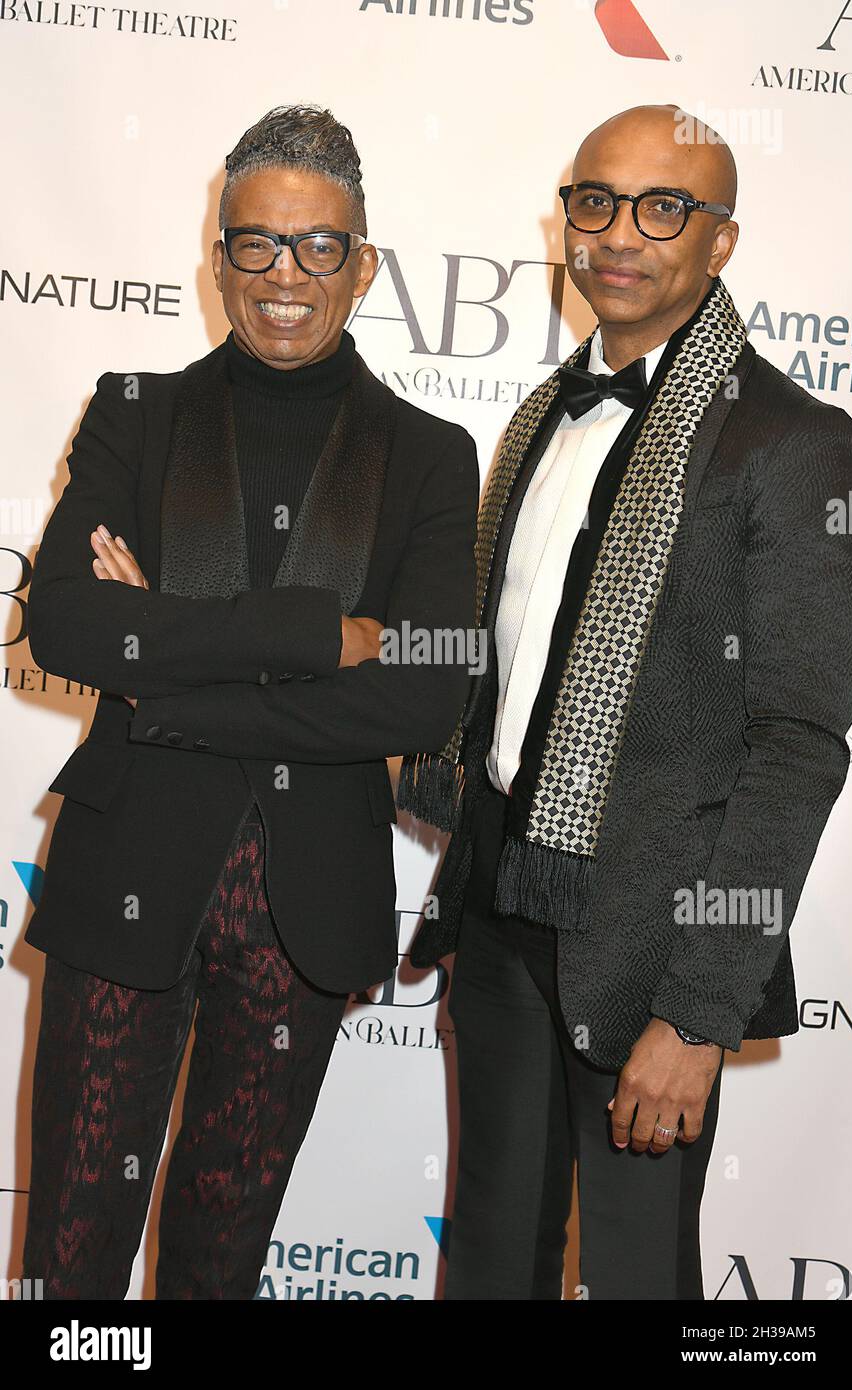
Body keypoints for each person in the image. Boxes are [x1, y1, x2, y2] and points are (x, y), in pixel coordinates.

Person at [399, 104, 852, 1300]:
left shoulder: (790, 442)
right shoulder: (536, 420)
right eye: (594, 201)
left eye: (663, 208)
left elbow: (797, 747)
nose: (618, 234)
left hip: (657, 948)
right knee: (490, 1258)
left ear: (720, 241)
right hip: (504, 905)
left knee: (631, 1274)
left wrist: (699, 1013)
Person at [22, 104, 478, 1300]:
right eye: (257, 244)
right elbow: (66, 620)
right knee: (70, 1256)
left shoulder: (431, 454)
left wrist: (161, 678)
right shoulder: (137, 409)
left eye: (319, 246)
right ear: (216, 256)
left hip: (306, 900)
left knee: (219, 1265)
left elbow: (420, 695)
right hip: (124, 873)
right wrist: (311, 635)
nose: (285, 275)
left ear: (363, 263)